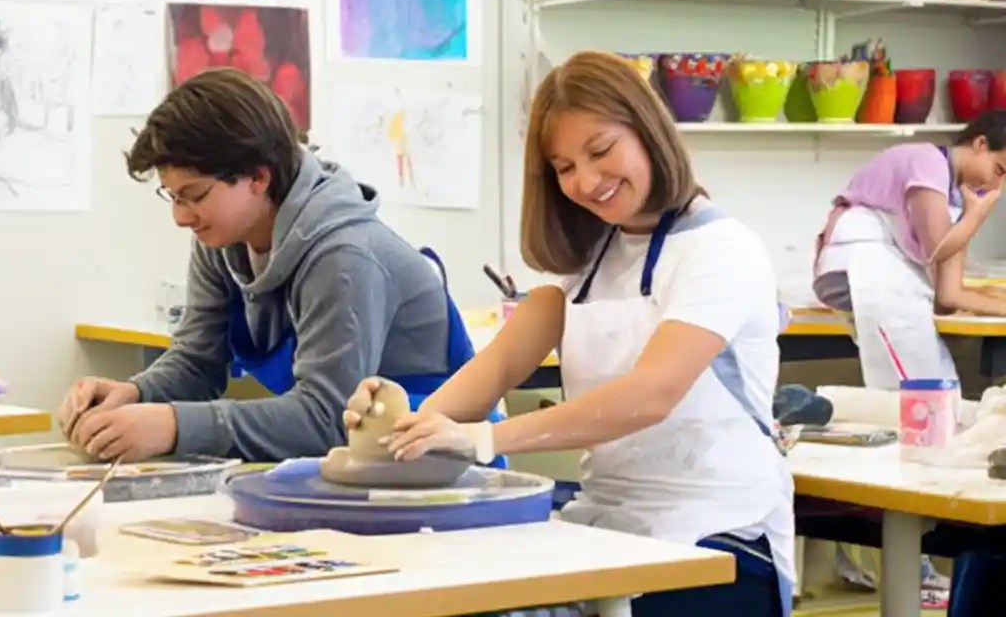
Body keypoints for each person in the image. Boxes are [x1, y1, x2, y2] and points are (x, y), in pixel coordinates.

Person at [345, 51, 793, 616]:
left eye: (601, 151)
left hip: (720, 539)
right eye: (563, 167)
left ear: (648, 130)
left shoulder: (721, 249)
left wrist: (484, 439)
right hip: (606, 526)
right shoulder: (580, 270)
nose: (585, 181)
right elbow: (492, 374)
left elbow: (649, 395)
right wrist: (395, 426)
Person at [56, 67, 502, 464]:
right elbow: (198, 362)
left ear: (258, 177)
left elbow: (327, 419)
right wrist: (135, 394)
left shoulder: (344, 257)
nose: (180, 216)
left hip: (433, 470)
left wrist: (173, 426)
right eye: (172, 197)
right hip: (354, 469)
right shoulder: (222, 238)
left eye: (194, 195)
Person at [813, 111, 1006, 389]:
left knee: (942, 386)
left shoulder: (958, 200)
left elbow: (949, 296)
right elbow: (936, 249)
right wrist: (975, 217)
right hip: (856, 268)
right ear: (980, 144)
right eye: (999, 170)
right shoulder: (927, 161)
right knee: (917, 388)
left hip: (885, 277)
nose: (996, 186)